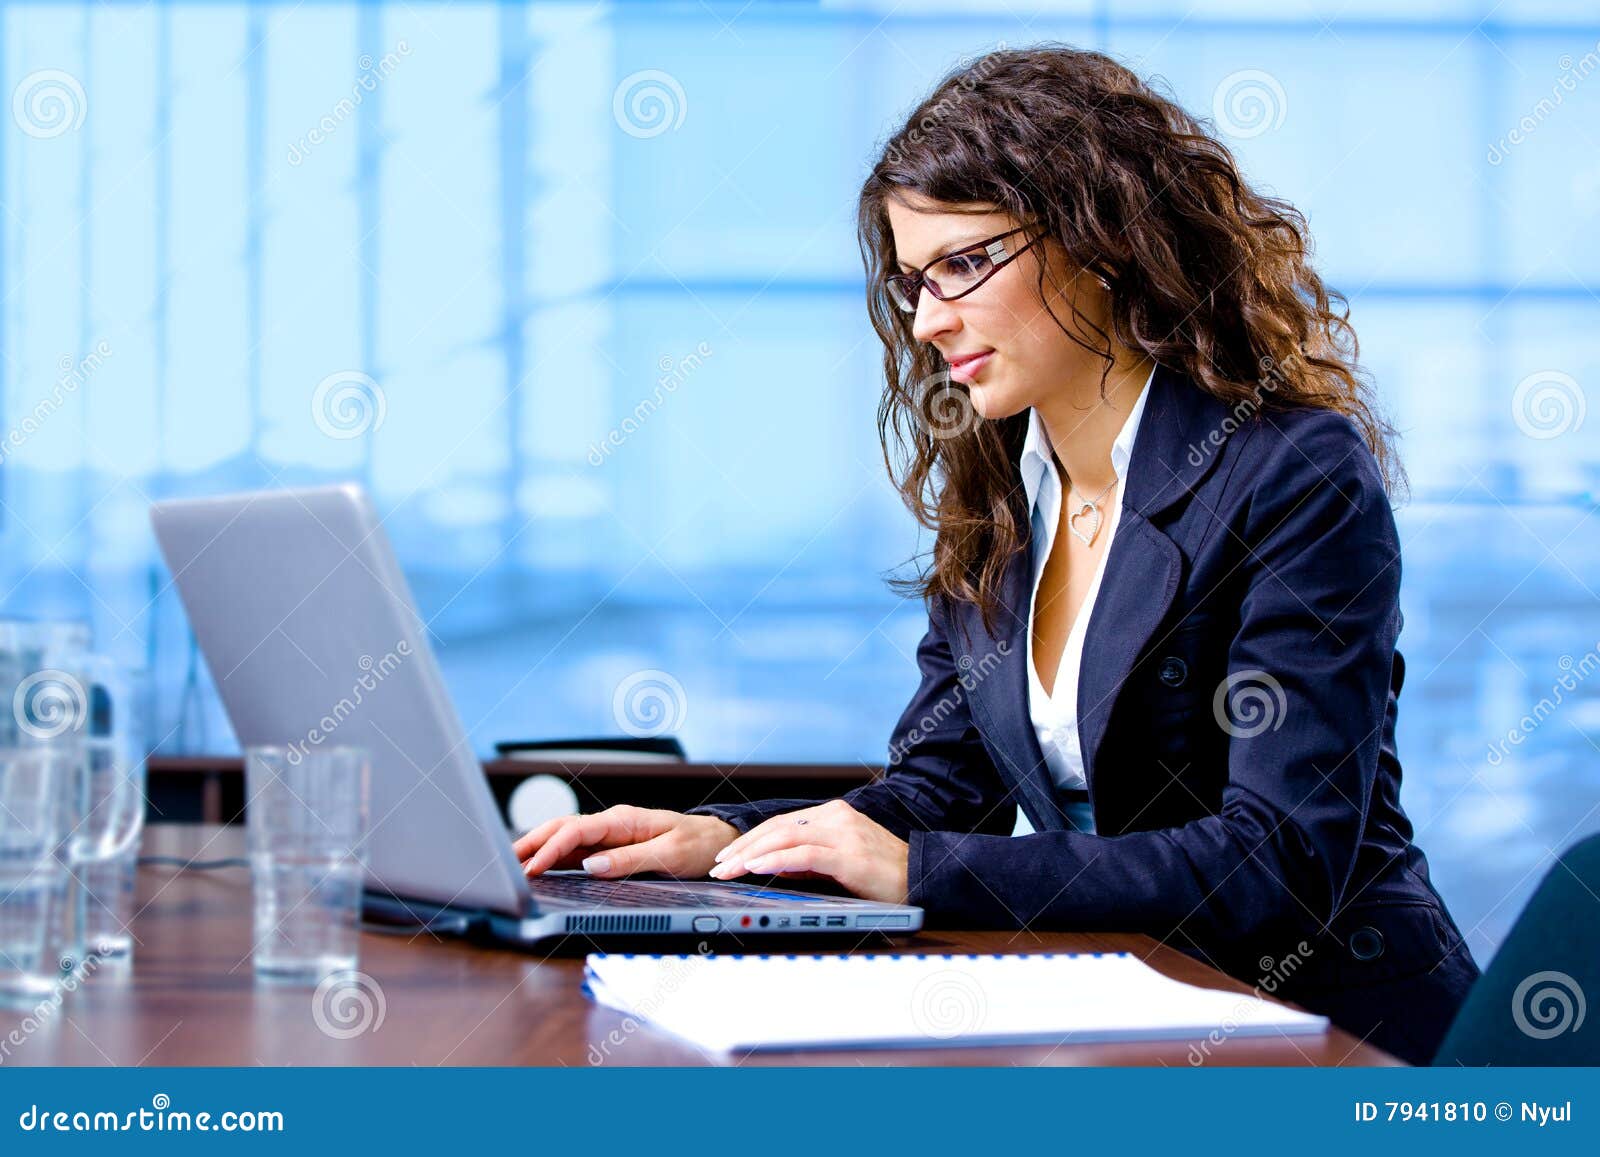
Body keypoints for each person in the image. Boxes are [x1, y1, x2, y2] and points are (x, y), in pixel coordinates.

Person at [516, 44, 1479, 1066]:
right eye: (912, 282)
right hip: (1128, 1012)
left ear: (1100, 238)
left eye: (964, 264)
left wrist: (926, 872)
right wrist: (730, 848)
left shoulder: (1288, 470)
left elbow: (1278, 860)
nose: (928, 320)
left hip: (1335, 1031)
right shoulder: (1002, 492)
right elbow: (937, 788)